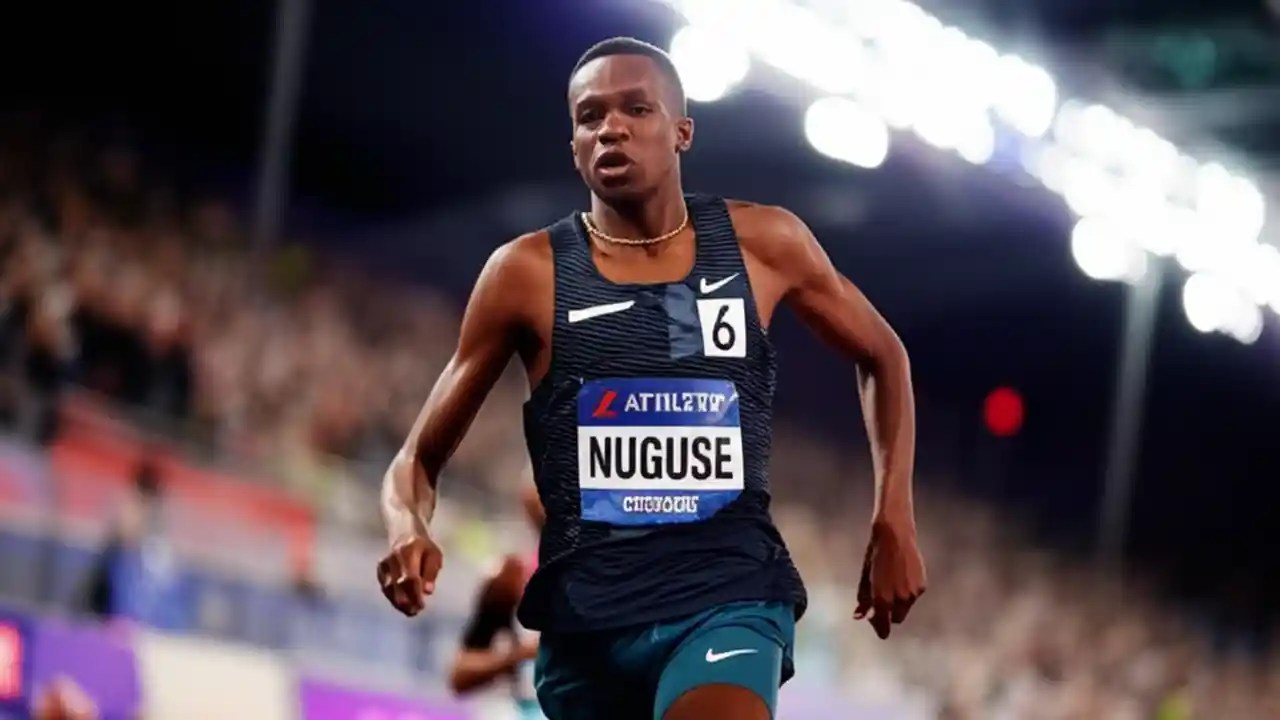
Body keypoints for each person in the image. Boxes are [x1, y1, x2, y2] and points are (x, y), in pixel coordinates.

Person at [378, 36, 926, 720]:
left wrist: (893, 517)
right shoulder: (525, 274)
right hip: (588, 631)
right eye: (590, 116)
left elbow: (883, 355)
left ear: (681, 131)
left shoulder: (764, 245)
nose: (611, 126)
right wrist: (406, 526)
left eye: (637, 108)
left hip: (728, 594)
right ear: (574, 143)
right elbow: (415, 463)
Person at [448, 485, 546, 719]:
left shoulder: (607, 576)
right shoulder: (510, 576)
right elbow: (460, 675)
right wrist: (521, 654)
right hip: (523, 709)